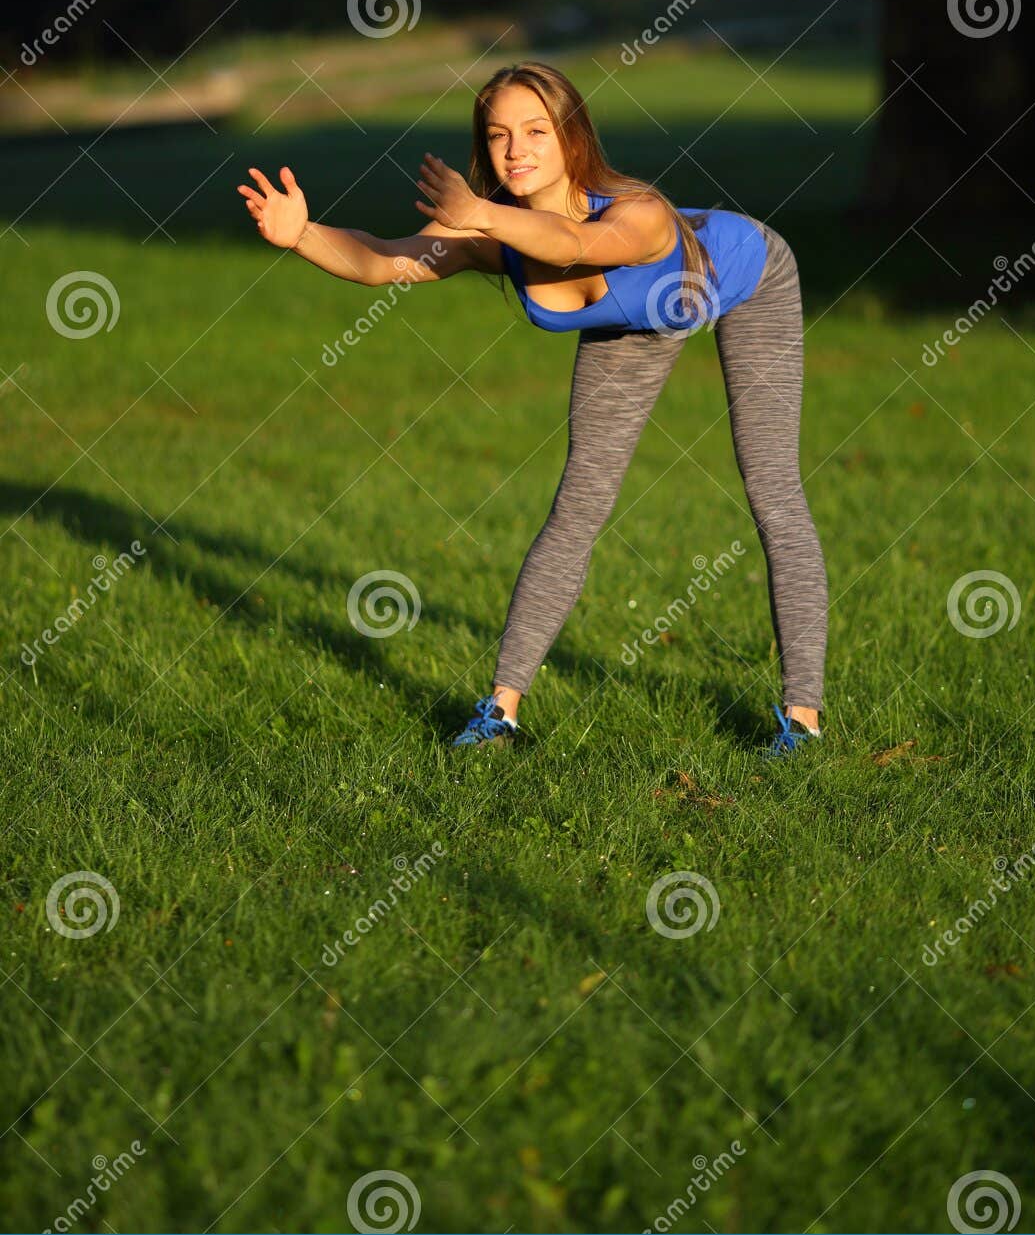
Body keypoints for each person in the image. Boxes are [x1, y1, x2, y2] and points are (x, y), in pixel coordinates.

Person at [239, 61, 828, 759]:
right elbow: (387, 262)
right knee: (578, 504)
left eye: (534, 131)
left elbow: (580, 245)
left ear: (571, 137)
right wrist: (303, 234)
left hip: (745, 277)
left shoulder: (637, 212)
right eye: (496, 136)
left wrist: (482, 213)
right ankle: (498, 712)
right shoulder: (490, 233)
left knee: (769, 488)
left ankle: (802, 722)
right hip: (632, 318)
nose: (514, 150)